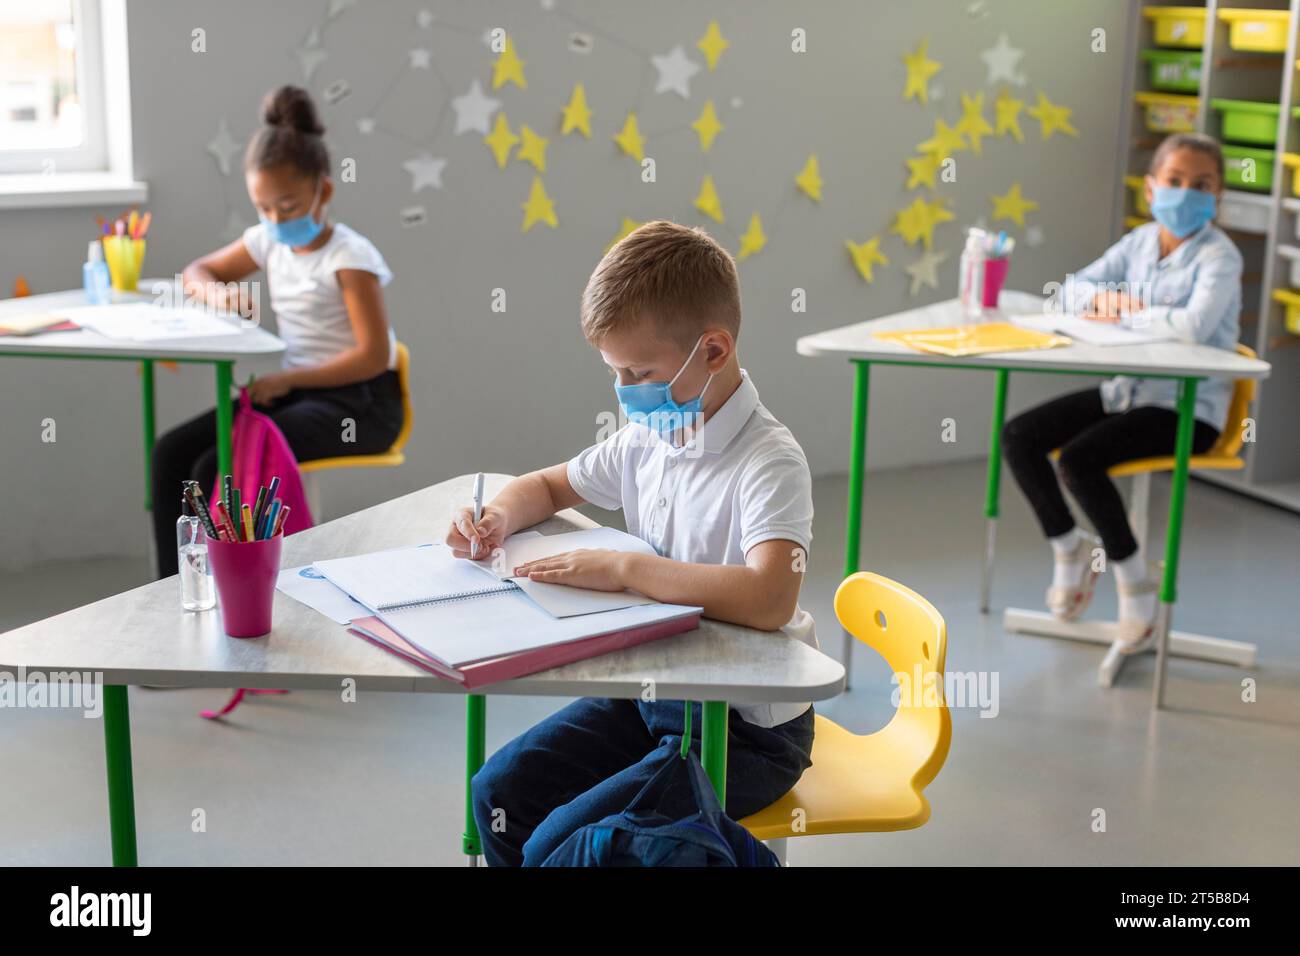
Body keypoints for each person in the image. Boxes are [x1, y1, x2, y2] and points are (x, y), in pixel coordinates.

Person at [447, 221, 817, 866]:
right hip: (654, 697)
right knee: (497, 797)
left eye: (640, 370)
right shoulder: (648, 437)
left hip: (744, 733)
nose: (625, 390)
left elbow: (770, 597)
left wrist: (626, 568)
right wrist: (498, 516)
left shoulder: (769, 460)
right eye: (615, 371)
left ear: (714, 350)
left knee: (562, 846)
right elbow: (546, 485)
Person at [1002, 132, 1241, 651]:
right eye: (1174, 181)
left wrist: (1124, 307)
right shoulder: (1139, 242)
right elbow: (1070, 291)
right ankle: (1068, 548)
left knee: (1080, 461)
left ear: (1218, 197)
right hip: (1127, 394)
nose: (1186, 193)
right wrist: (1111, 301)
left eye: (1201, 185)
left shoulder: (1220, 257)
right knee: (1020, 435)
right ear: (1152, 189)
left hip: (1187, 410)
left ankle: (1135, 582)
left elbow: (1196, 325)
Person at [151, 85, 403, 576]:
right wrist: (221, 294)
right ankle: (171, 588)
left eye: (286, 207)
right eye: (262, 208)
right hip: (302, 394)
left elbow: (373, 356)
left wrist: (288, 381)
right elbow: (196, 272)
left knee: (212, 469)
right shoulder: (268, 242)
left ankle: (228, 586)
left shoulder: (349, 259)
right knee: (171, 454)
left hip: (361, 404)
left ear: (322, 192)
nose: (274, 219)